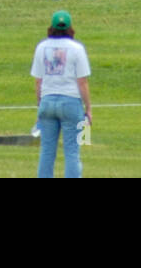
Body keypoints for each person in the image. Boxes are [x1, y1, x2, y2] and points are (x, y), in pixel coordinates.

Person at [31, 10, 92, 179]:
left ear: (52, 27)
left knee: (47, 151)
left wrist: (39, 105)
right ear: (70, 28)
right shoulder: (77, 48)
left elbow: (38, 81)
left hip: (47, 101)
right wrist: (88, 108)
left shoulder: (41, 47)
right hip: (71, 101)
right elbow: (82, 82)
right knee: (72, 151)